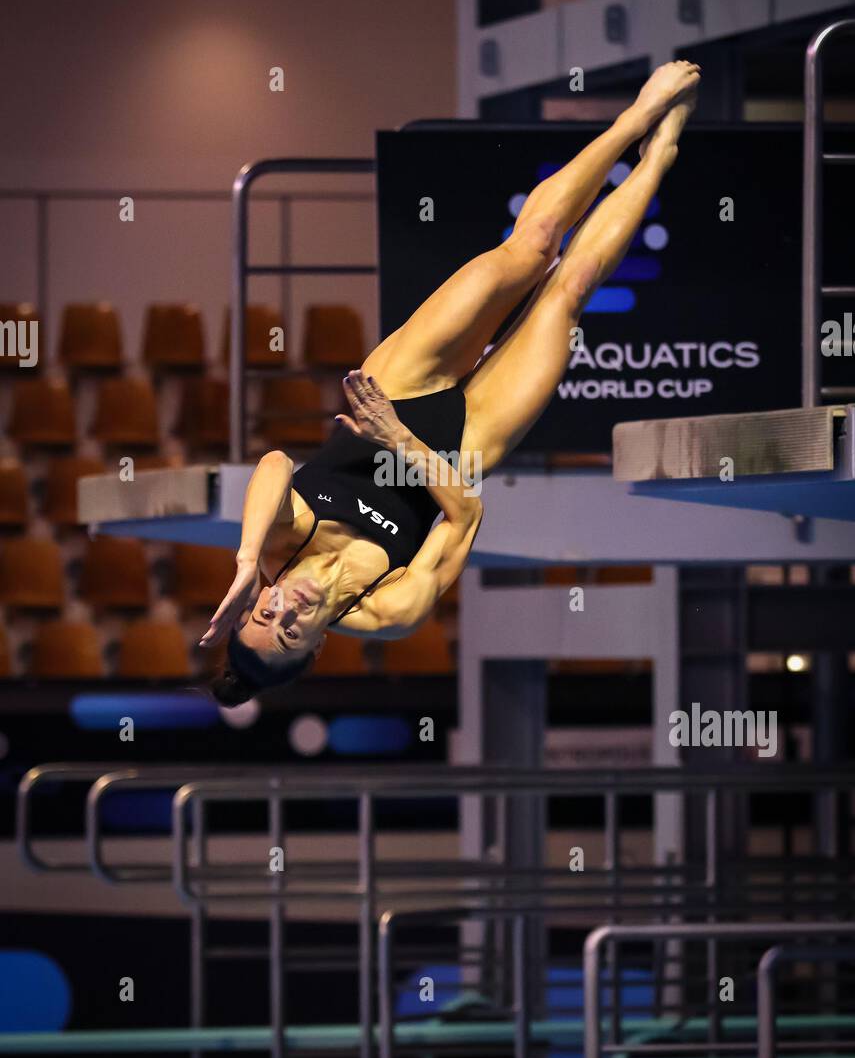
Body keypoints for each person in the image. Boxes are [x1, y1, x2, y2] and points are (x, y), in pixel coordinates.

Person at [204, 60, 700, 704]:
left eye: (267, 614)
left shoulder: (278, 544)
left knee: (531, 249)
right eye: (293, 633)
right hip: (460, 448)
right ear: (319, 644)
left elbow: (271, 461)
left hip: (398, 386)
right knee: (567, 293)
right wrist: (401, 444)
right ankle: (660, 154)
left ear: (256, 601)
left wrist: (244, 560)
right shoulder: (387, 610)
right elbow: (466, 513)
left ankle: (635, 119)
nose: (287, 612)